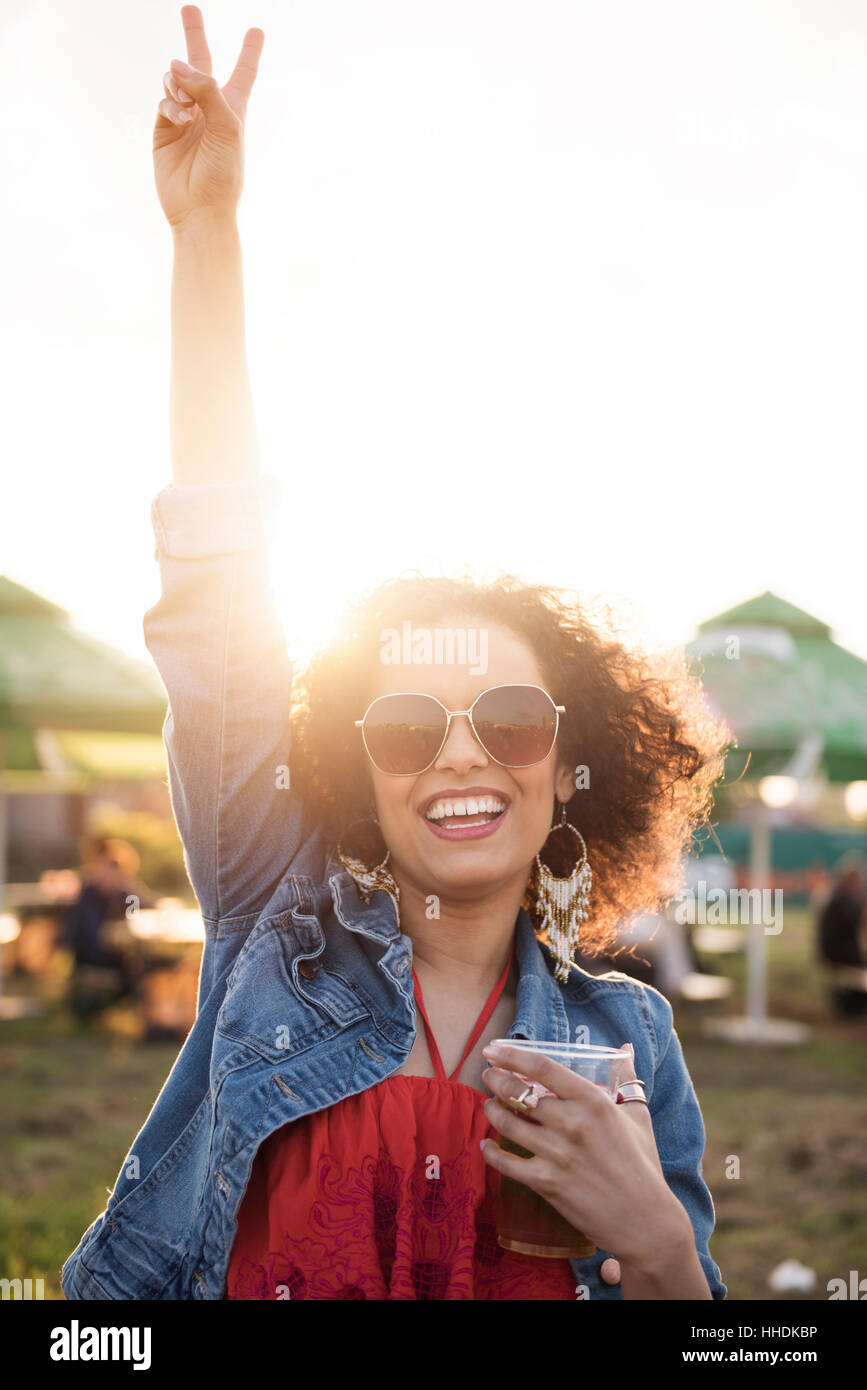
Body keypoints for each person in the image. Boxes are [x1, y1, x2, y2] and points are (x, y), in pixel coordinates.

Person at [63, 6, 729, 1301]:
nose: (460, 751)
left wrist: (653, 1248)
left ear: (562, 765)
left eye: (507, 718)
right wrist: (208, 237)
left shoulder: (628, 1038)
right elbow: (216, 601)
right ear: (355, 770)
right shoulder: (272, 920)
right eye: (406, 724)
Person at [63, 837, 150, 1021]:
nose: (113, 872)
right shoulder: (88, 895)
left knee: (150, 963)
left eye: (117, 867)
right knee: (142, 968)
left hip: (119, 955)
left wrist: (131, 889)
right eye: (109, 865)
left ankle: (152, 1017)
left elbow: (144, 905)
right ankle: (148, 1019)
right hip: (95, 958)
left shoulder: (123, 893)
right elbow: (94, 937)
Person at [817, 859, 867, 1017]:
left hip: (843, 950)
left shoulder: (842, 899)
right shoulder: (839, 901)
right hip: (838, 952)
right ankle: (850, 1001)